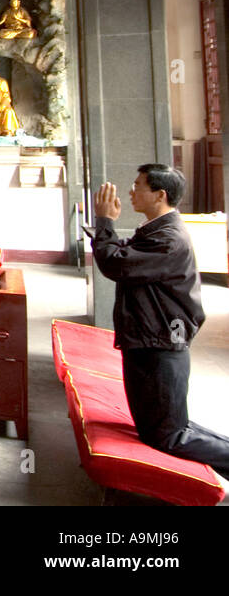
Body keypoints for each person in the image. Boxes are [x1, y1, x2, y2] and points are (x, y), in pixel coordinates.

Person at [90, 166, 229, 478]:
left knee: (168, 435)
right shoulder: (158, 227)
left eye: (138, 185)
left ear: (160, 194)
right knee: (169, 426)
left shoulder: (167, 237)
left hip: (160, 346)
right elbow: (127, 255)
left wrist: (105, 223)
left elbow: (117, 265)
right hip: (151, 339)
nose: (131, 191)